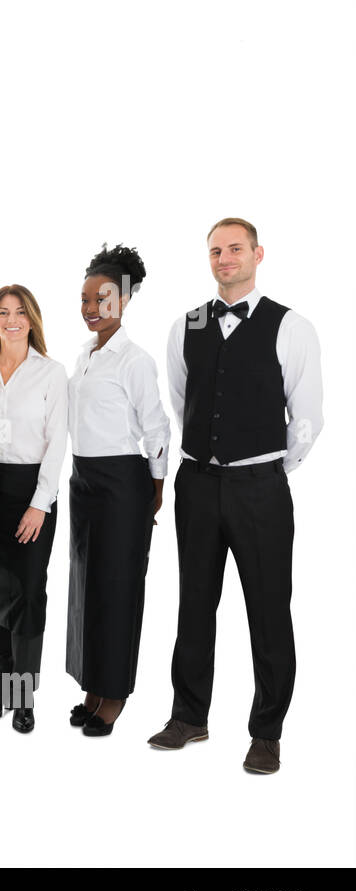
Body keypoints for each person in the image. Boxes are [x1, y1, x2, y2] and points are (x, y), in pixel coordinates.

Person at [148, 218, 323, 775]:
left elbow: (307, 419)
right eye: (216, 251)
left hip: (260, 488)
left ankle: (266, 731)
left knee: (268, 610)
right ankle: (189, 715)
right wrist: (210, 458)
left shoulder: (292, 326)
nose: (225, 258)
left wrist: (266, 469)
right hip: (197, 483)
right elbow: (183, 401)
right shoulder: (186, 324)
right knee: (194, 604)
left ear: (258, 254)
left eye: (235, 249)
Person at [66, 244, 169, 737]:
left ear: (123, 300)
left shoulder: (135, 359)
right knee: (87, 587)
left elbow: (157, 429)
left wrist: (155, 486)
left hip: (124, 483)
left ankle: (116, 694)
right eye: (84, 299)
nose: (91, 308)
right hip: (83, 481)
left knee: (119, 588)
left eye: (101, 298)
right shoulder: (84, 355)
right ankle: (92, 684)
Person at [0, 285, 68, 733]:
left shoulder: (50, 373)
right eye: (3, 312)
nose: (11, 320)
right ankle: (2, 688)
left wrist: (39, 504)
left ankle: (24, 696)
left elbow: (56, 444)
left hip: (32, 487)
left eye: (20, 312)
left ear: (32, 319)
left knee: (28, 593)